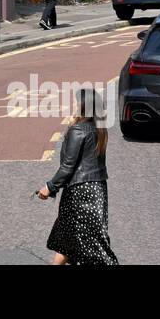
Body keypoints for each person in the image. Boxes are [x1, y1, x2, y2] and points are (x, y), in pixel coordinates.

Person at [37, 88, 117, 265]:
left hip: (80, 193)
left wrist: (49, 187)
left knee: (93, 245)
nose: (73, 104)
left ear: (83, 107)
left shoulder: (78, 130)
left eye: (76, 102)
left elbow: (67, 167)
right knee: (69, 238)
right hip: (97, 190)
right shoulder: (99, 129)